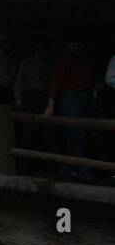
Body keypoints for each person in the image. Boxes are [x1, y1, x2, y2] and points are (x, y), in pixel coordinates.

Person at [43, 38, 102, 175]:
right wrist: (50, 104)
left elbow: (93, 77)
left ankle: (69, 167)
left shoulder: (86, 59)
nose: (76, 45)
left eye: (79, 43)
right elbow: (56, 82)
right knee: (77, 131)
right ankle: (83, 168)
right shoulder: (63, 59)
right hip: (69, 95)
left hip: (85, 94)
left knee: (80, 131)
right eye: (73, 43)